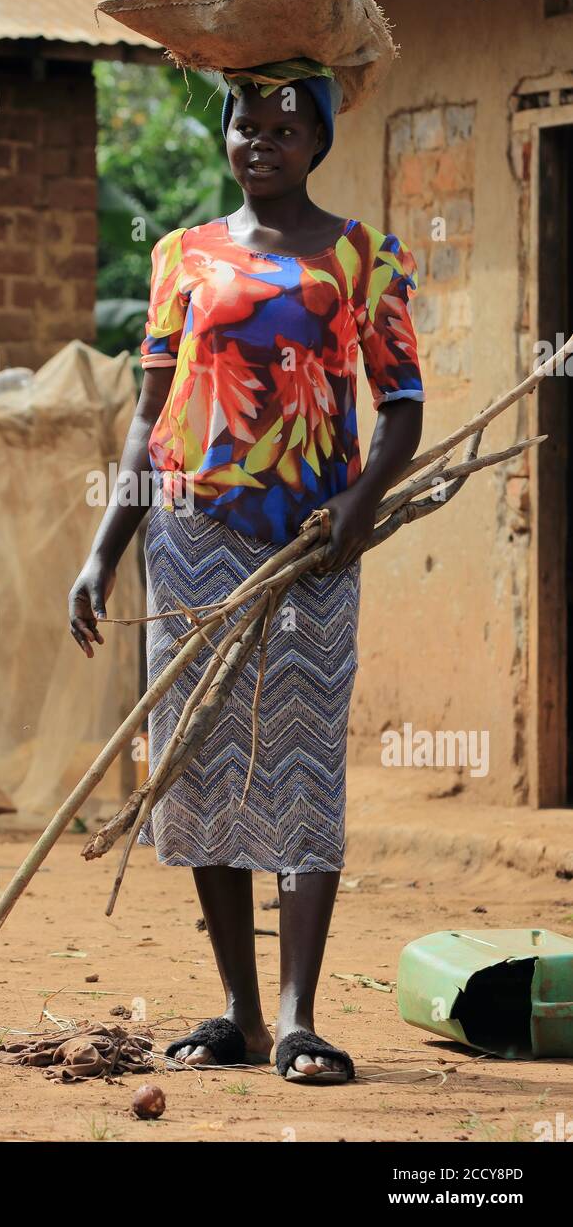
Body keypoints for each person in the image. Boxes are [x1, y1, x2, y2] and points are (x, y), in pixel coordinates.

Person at [68, 60, 424, 1083]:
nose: (257, 141)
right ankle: (236, 1009)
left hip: (310, 539)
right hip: (189, 536)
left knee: (304, 757)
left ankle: (299, 1015)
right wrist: (104, 549)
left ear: (315, 140)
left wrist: (352, 513)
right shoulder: (182, 254)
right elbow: (146, 416)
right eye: (242, 123)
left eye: (280, 125)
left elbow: (401, 406)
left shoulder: (363, 257)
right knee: (199, 758)